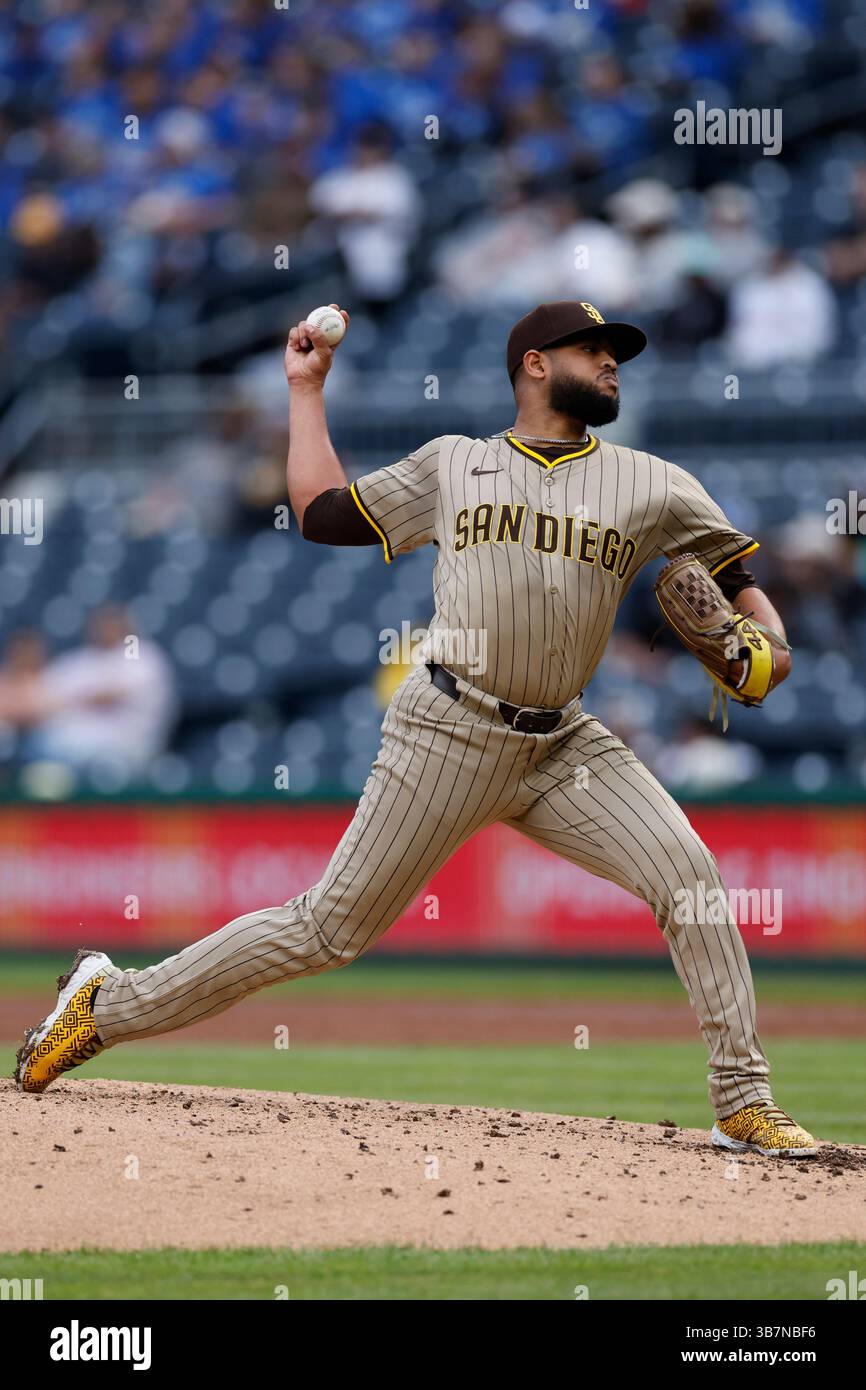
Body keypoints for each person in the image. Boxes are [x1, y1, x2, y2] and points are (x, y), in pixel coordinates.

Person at [15, 300, 820, 1160]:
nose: (614, 363)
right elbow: (323, 511)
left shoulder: (651, 481)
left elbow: (741, 574)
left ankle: (742, 1099)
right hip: (449, 727)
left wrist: (765, 643)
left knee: (689, 874)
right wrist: (305, 392)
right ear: (536, 364)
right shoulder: (455, 464)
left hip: (566, 746)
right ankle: (104, 1005)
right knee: (325, 931)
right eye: (594, 350)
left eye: (617, 353)